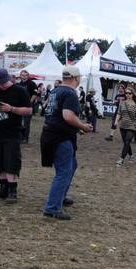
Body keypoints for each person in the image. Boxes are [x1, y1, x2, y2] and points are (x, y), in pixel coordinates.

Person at [41, 67, 91, 220]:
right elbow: (68, 116)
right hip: (60, 137)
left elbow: (57, 115)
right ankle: (52, 208)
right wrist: (82, 126)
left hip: (52, 134)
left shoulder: (56, 91)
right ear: (76, 77)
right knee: (64, 172)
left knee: (72, 166)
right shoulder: (70, 93)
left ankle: (60, 197)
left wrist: (76, 128)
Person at [0, 68, 32, 202]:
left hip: (12, 132)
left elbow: (28, 110)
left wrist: (11, 109)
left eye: (2, 83)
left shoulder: (20, 91)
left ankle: (12, 190)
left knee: (11, 161)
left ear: (8, 79)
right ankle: (3, 189)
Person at [116, 88, 136, 166]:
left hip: (132, 126)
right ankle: (131, 155)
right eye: (126, 93)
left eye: (129, 93)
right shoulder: (122, 103)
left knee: (127, 142)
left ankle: (121, 159)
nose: (128, 95)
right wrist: (116, 121)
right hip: (123, 125)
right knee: (126, 143)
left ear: (133, 94)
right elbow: (119, 113)